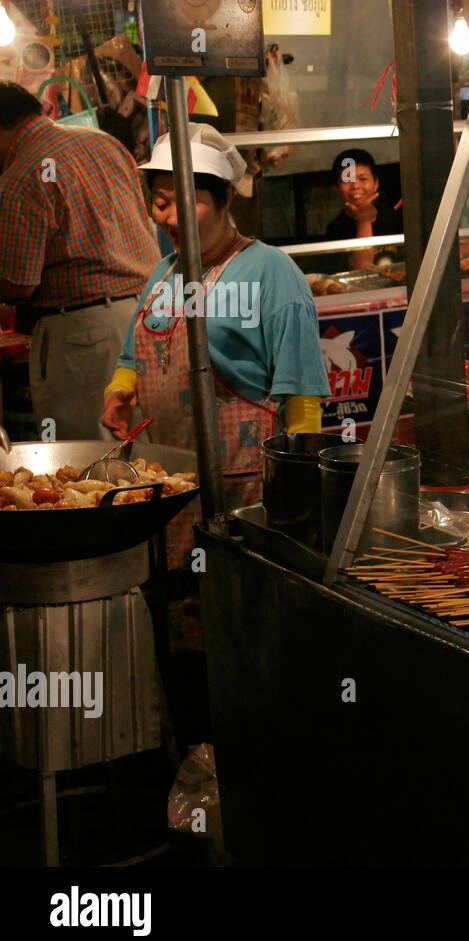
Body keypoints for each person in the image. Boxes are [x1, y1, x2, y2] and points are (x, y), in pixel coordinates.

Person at [101, 124, 329, 592]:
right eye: (161, 202)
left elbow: (301, 388)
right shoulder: (163, 275)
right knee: (181, 607)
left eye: (187, 202)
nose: (170, 217)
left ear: (226, 200)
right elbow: (132, 353)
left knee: (235, 603)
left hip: (243, 486)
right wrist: (120, 389)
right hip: (171, 484)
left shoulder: (272, 272)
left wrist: (300, 488)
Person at [0, 80, 158, 439]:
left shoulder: (20, 177)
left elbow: (19, 284)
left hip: (84, 337)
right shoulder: (103, 142)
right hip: (149, 315)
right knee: (146, 449)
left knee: (95, 459)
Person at [325, 147, 403, 271]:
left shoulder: (394, 214)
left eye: (363, 179)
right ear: (336, 187)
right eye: (347, 180)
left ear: (376, 183)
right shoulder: (336, 228)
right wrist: (364, 221)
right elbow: (361, 269)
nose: (355, 186)